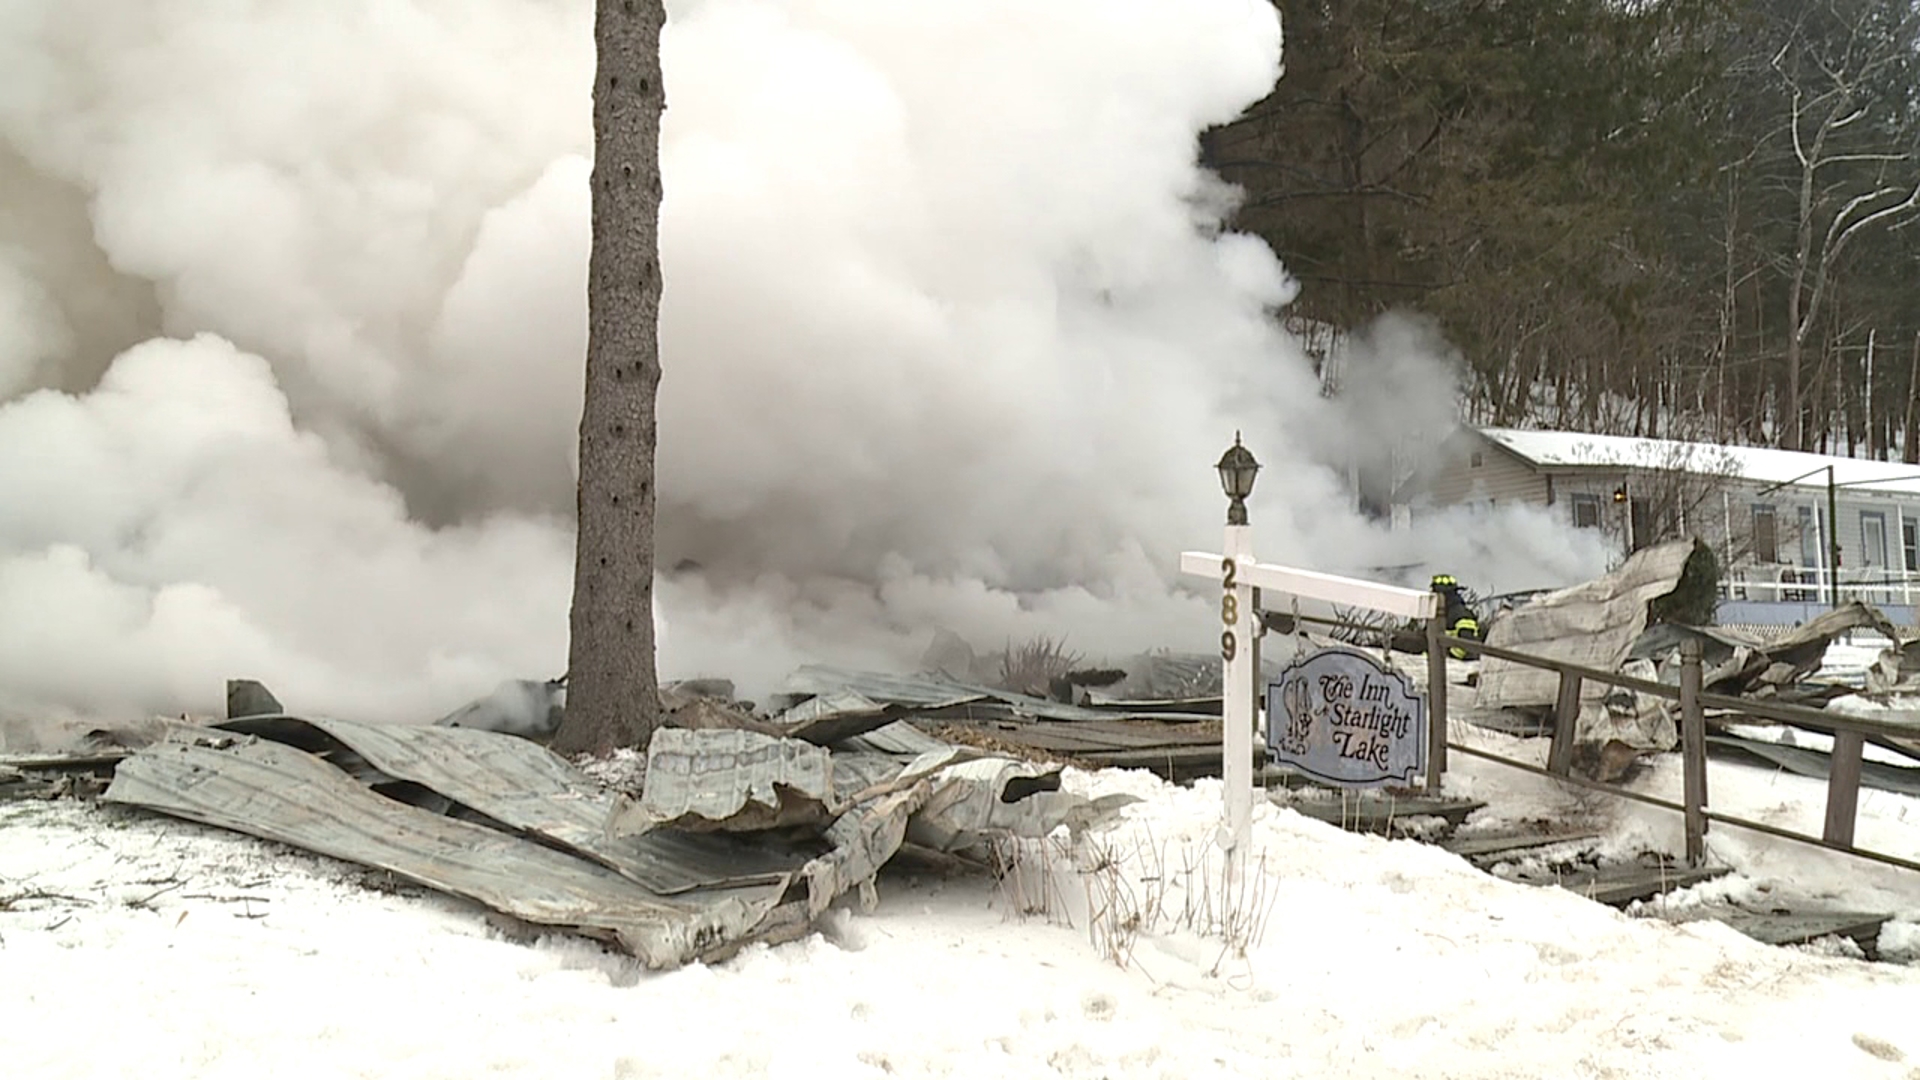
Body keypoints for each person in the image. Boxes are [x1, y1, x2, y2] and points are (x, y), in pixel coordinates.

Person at [1430, 574, 1482, 660]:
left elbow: (1465, 645)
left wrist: (1450, 657)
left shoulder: (1461, 615)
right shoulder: (1440, 613)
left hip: (1464, 664)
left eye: (1435, 593)